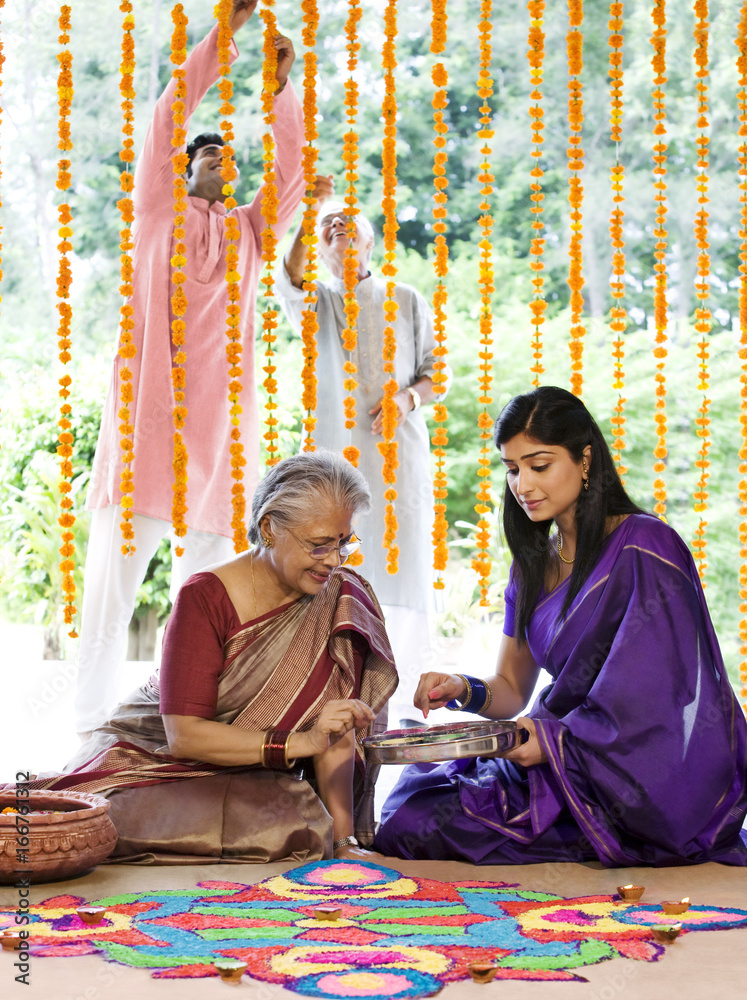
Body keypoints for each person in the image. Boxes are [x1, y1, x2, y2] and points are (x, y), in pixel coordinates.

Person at [374, 386, 747, 866]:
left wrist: (556, 744)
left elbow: (657, 698)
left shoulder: (646, 545)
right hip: (555, 749)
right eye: (512, 469)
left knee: (442, 827)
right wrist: (461, 688)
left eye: (539, 465)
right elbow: (511, 688)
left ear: (584, 459)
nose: (523, 485)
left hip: (636, 769)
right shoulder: (531, 566)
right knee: (412, 809)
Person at [76, 0, 306, 736]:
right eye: (208, 155)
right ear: (181, 168)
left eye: (230, 158)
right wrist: (223, 37)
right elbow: (168, 115)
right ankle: (84, 735)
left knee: (200, 609)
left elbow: (292, 175)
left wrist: (280, 90)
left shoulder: (250, 234)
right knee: (107, 601)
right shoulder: (157, 211)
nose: (220, 159)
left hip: (216, 453)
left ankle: (177, 734)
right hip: (145, 441)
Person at [33, 453, 398, 864]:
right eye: (319, 545)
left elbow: (337, 729)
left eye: (344, 543)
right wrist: (300, 743)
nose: (333, 559)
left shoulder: (342, 598)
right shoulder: (204, 596)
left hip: (257, 769)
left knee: (301, 827)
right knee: (95, 821)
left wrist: (345, 844)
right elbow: (185, 736)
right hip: (154, 758)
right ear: (269, 529)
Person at [275, 177, 449, 724]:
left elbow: (437, 374)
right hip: (335, 466)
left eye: (348, 222)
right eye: (326, 226)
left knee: (405, 566)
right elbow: (291, 274)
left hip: (399, 462)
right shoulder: (316, 301)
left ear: (370, 242)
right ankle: (338, 704)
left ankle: (412, 709)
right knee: (336, 565)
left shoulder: (406, 298)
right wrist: (310, 208)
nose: (337, 226)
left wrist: (405, 399)